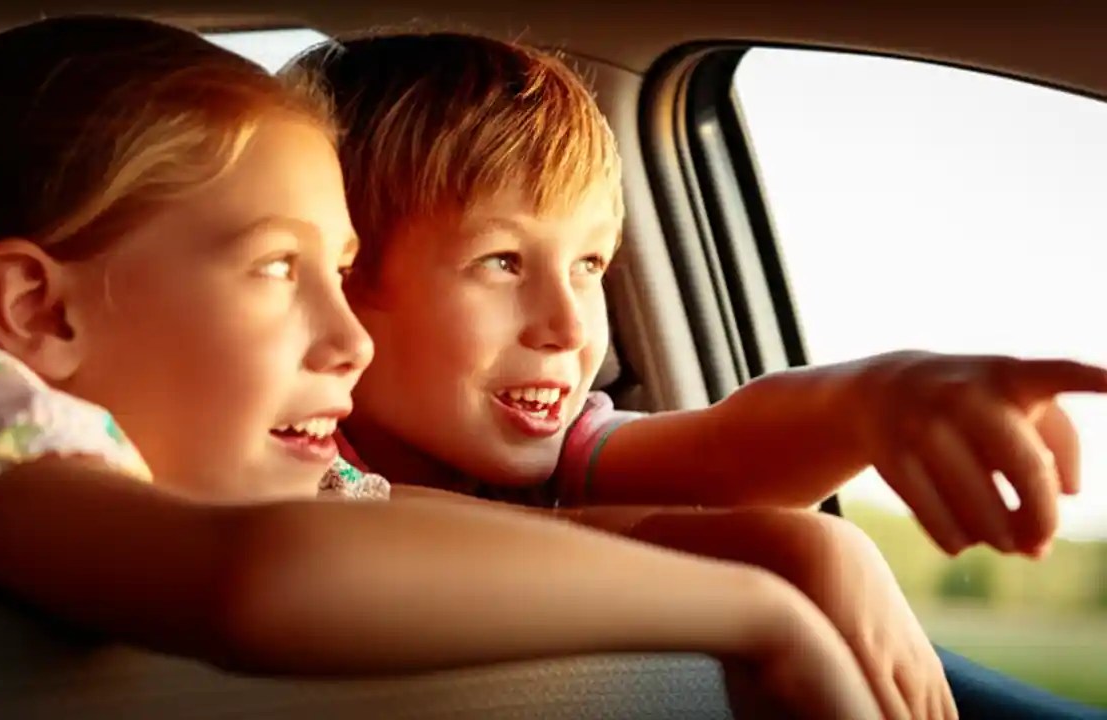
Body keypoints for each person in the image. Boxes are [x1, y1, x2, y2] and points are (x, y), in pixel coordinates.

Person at [0, 15, 884, 719]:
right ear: (39, 309)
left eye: (340, 270)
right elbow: (257, 580)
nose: (352, 339)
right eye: (279, 269)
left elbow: (522, 544)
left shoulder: (265, 482)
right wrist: (754, 614)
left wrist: (791, 550)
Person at [291, 32, 1107, 720]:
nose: (569, 325)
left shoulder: (540, 452)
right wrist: (781, 546)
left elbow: (721, 451)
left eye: (589, 266)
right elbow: (392, 527)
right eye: (502, 262)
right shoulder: (297, 466)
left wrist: (876, 399)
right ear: (344, 276)